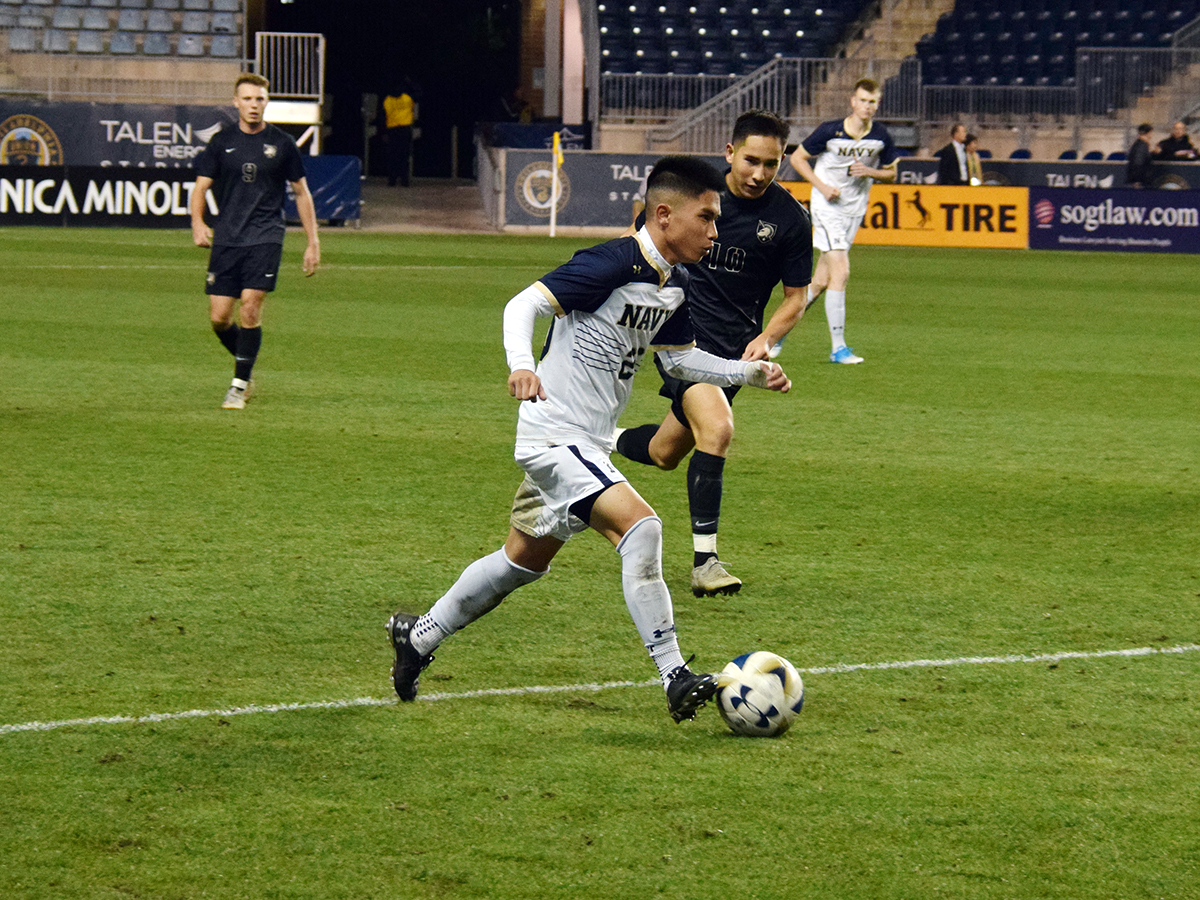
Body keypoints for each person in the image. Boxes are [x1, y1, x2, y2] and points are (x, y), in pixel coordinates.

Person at [385, 156, 792, 723]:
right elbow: (522, 304)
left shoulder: (676, 284)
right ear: (665, 215)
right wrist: (521, 364)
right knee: (643, 529)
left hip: (588, 444)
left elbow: (679, 361)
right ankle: (674, 676)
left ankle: (418, 637)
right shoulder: (611, 262)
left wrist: (747, 373)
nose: (715, 232)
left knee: (520, 563)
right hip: (554, 436)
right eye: (706, 217)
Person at [614, 109, 812, 597]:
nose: (760, 173)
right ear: (730, 152)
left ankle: (596, 438)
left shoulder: (790, 219)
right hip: (680, 334)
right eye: (751, 160)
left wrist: (767, 339)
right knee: (719, 429)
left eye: (771, 163)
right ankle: (706, 564)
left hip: (734, 352)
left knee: (664, 453)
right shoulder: (694, 196)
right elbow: (637, 245)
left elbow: (796, 297)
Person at [191, 73, 320, 410]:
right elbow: (201, 187)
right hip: (227, 237)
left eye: (259, 99)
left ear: (266, 102)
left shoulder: (282, 143)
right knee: (219, 318)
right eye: (247, 99)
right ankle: (246, 364)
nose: (253, 105)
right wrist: (198, 222)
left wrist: (313, 242)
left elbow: (301, 192)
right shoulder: (221, 142)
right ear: (236, 102)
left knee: (250, 305)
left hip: (265, 235)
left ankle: (238, 386)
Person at [789, 77, 899, 365]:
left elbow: (891, 173)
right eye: (862, 100)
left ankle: (774, 335)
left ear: (877, 104)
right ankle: (838, 348)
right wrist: (822, 187)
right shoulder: (831, 130)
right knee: (841, 271)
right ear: (853, 101)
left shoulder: (881, 136)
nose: (867, 106)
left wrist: (870, 172)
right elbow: (797, 158)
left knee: (820, 281)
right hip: (827, 207)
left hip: (853, 210)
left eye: (872, 101)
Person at [382, 80, 417, 186]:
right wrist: (410, 82)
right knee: (404, 156)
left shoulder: (387, 100)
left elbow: (383, 116)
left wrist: (384, 132)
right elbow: (418, 92)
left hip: (392, 130)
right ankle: (404, 180)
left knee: (392, 156)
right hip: (404, 129)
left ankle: (392, 180)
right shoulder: (407, 98)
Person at [1126, 123, 1155, 188]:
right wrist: (1137, 180)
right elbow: (1137, 163)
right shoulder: (1141, 146)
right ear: (1148, 133)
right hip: (1140, 181)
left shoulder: (1138, 145)